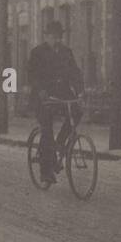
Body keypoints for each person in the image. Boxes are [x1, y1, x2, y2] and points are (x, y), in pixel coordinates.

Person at [26, 20, 84, 186]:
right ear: (47, 37)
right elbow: (31, 75)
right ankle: (46, 172)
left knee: (77, 112)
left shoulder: (67, 52)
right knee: (47, 129)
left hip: (61, 96)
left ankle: (60, 143)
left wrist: (80, 91)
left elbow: (75, 73)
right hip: (42, 98)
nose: (56, 40)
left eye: (59, 37)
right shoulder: (37, 52)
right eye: (53, 37)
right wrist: (40, 90)